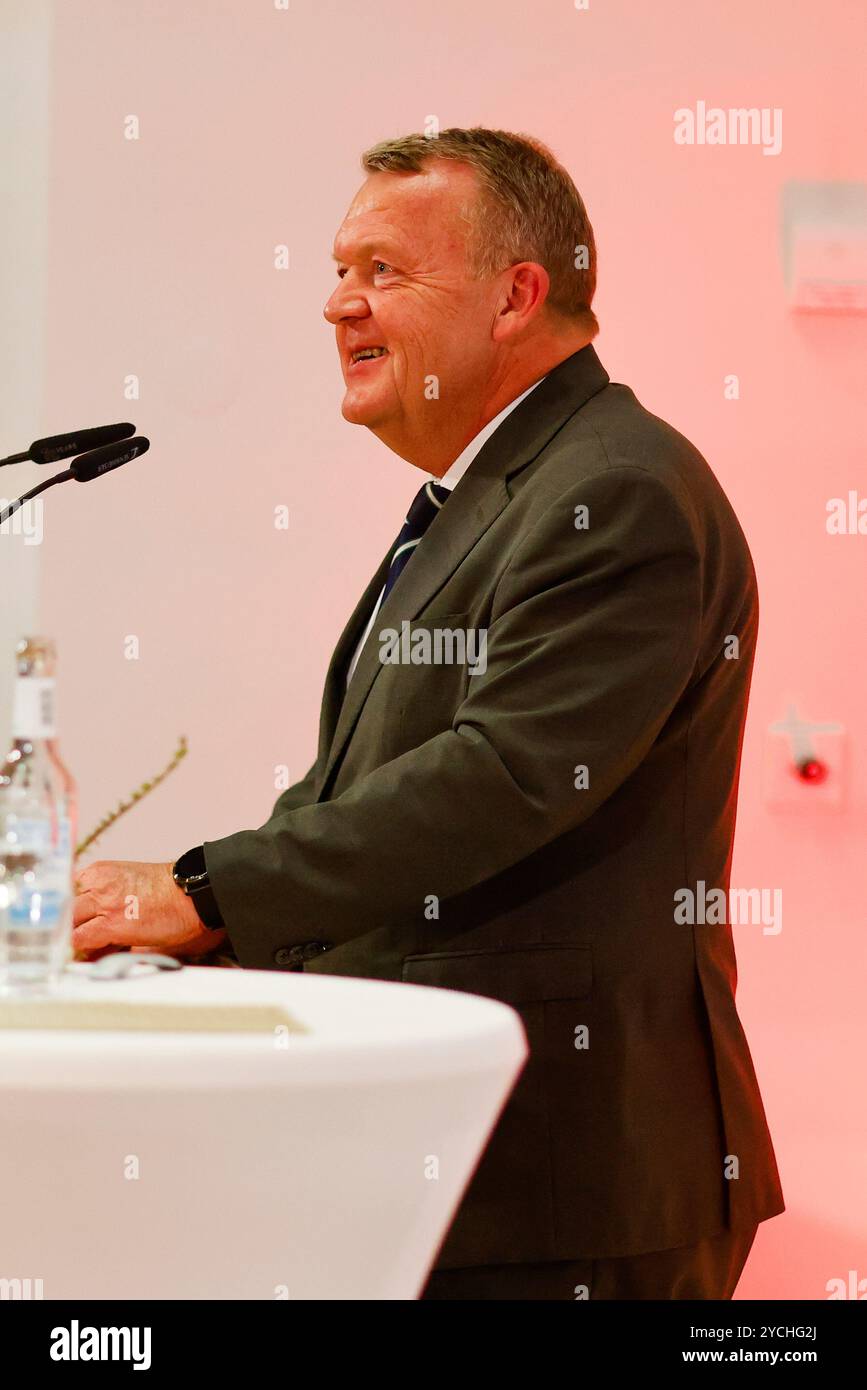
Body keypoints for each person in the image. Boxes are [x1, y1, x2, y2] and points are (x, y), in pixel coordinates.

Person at [73, 127, 784, 1299]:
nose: (338, 306)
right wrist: (176, 917)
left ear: (516, 296)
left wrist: (200, 892)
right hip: (479, 1158)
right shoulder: (491, 495)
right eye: (339, 271)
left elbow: (505, 775)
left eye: (382, 272)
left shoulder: (617, 488)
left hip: (570, 1167)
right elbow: (351, 795)